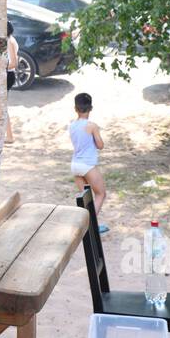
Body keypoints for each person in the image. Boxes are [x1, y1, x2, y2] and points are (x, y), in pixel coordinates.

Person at [69, 91, 108, 233]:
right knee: (100, 194)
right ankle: (90, 225)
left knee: (86, 198)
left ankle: (85, 225)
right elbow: (100, 145)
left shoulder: (71, 125)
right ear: (90, 108)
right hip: (87, 164)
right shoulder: (92, 126)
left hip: (75, 165)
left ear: (75, 108)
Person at [5, 19, 18, 144]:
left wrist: (0, 67)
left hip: (8, 74)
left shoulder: (9, 41)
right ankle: (8, 135)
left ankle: (9, 136)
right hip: (8, 74)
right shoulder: (12, 39)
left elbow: (14, 63)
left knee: (2, 107)